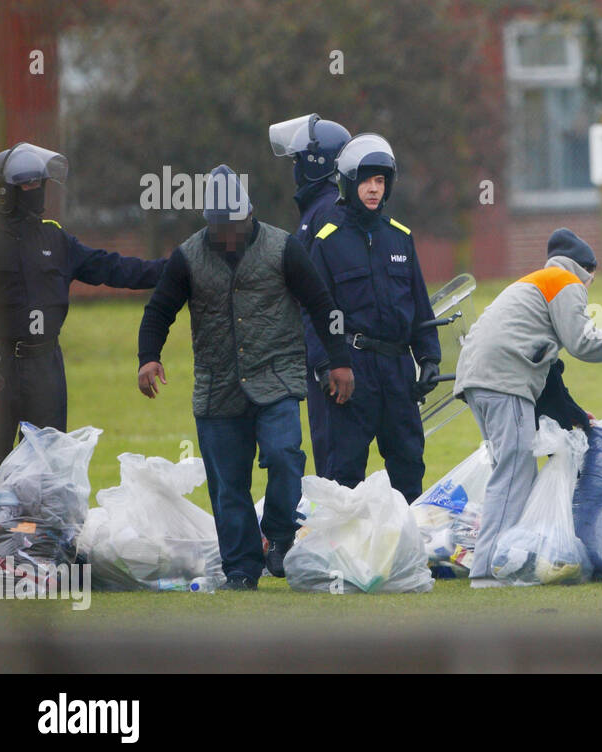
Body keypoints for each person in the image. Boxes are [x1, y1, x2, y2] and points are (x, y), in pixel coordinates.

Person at [136, 165, 354, 590]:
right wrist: (149, 357)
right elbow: (159, 310)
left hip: (277, 377)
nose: (229, 232)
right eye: (220, 225)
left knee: (285, 455)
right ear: (209, 221)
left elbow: (321, 303)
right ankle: (241, 570)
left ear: (249, 212)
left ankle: (280, 532)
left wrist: (339, 361)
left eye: (235, 222)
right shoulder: (188, 256)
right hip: (218, 387)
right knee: (228, 486)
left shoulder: (283, 247)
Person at [0, 142, 166, 476]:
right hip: (0, 366)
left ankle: (41, 529)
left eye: (39, 183)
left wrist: (172, 270)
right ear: (4, 192)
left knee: (46, 464)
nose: (37, 190)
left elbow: (112, 267)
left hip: (46, 367)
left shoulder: (55, 239)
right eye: (27, 184)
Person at [454, 228, 602, 587]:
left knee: (509, 470)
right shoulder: (566, 281)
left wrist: (571, 414)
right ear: (586, 272)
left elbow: (549, 369)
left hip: (479, 379)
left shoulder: (537, 282)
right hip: (503, 380)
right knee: (514, 472)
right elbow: (583, 344)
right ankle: (490, 568)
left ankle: (500, 559)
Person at [305, 133, 442, 504]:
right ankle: (346, 558)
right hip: (352, 370)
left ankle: (408, 555)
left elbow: (418, 303)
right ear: (349, 184)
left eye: (380, 181)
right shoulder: (327, 241)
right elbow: (316, 311)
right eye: (365, 180)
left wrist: (429, 357)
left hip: (398, 370)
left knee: (409, 466)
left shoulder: (400, 238)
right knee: (344, 474)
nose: (373, 189)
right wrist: (330, 364)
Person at [269, 113, 352, 474]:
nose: (294, 170)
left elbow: (318, 300)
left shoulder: (323, 214)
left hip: (330, 362)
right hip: (332, 356)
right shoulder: (323, 211)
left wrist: (322, 360)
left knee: (333, 462)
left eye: (297, 161)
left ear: (314, 164)